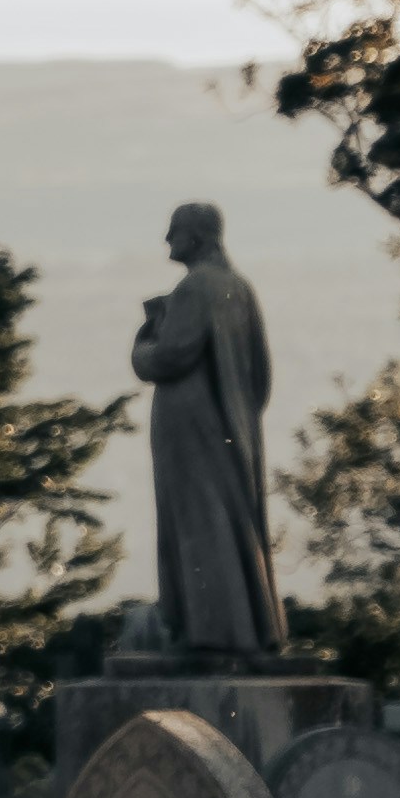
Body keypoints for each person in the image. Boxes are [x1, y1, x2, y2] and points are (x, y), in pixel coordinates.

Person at [130, 201, 284, 656]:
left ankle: (210, 631)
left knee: (199, 521)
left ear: (195, 236)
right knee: (226, 520)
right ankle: (240, 627)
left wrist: (145, 340)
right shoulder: (239, 287)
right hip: (231, 421)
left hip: (190, 423)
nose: (166, 240)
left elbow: (171, 355)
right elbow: (261, 373)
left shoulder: (194, 288)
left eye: (173, 230)